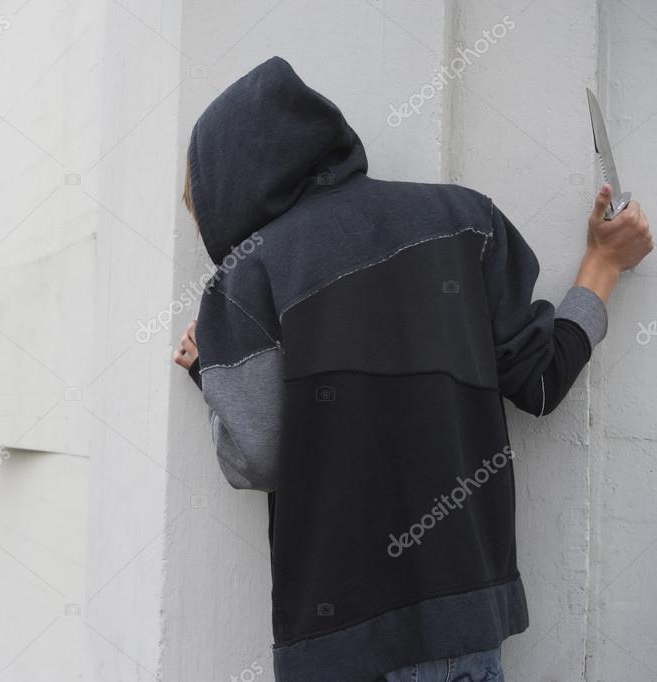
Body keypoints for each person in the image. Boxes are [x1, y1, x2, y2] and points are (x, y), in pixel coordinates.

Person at [173, 56, 652, 681]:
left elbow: (257, 457)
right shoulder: (464, 222)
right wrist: (604, 265)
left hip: (338, 641)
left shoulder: (248, 276)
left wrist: (210, 371)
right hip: (464, 625)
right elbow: (539, 380)